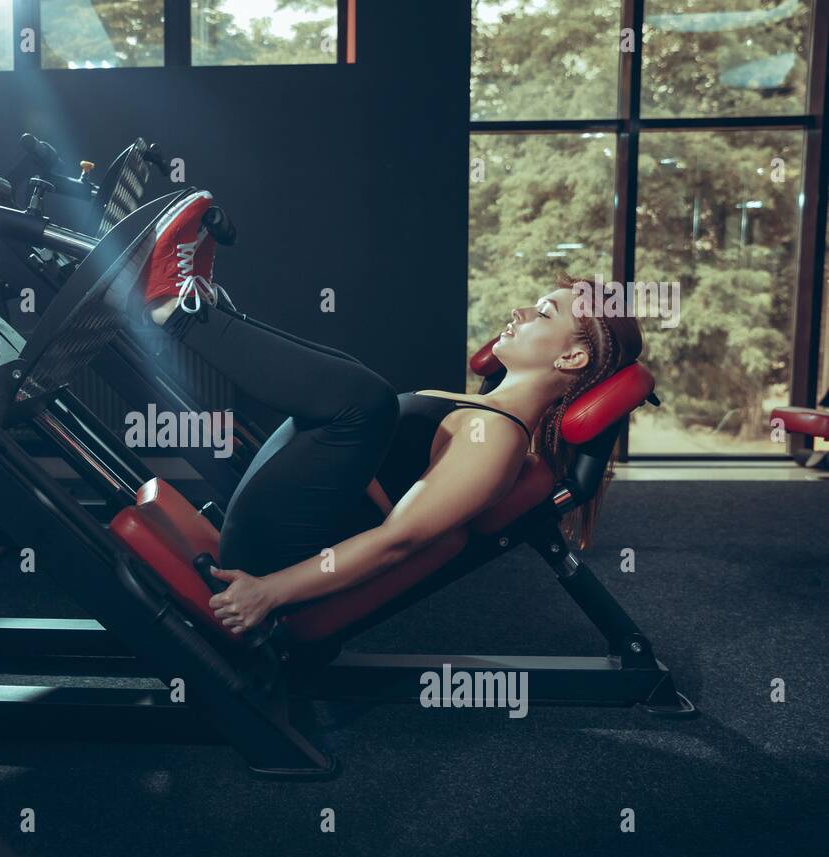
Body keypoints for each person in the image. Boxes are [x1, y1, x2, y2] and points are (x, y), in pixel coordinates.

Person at [111, 190, 642, 635]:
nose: (519, 312)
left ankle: (174, 310)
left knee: (365, 399)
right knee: (354, 384)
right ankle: (198, 308)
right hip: (283, 530)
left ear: (572, 357)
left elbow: (399, 542)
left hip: (281, 560)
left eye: (543, 312)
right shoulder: (476, 408)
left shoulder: (499, 441)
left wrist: (269, 592)